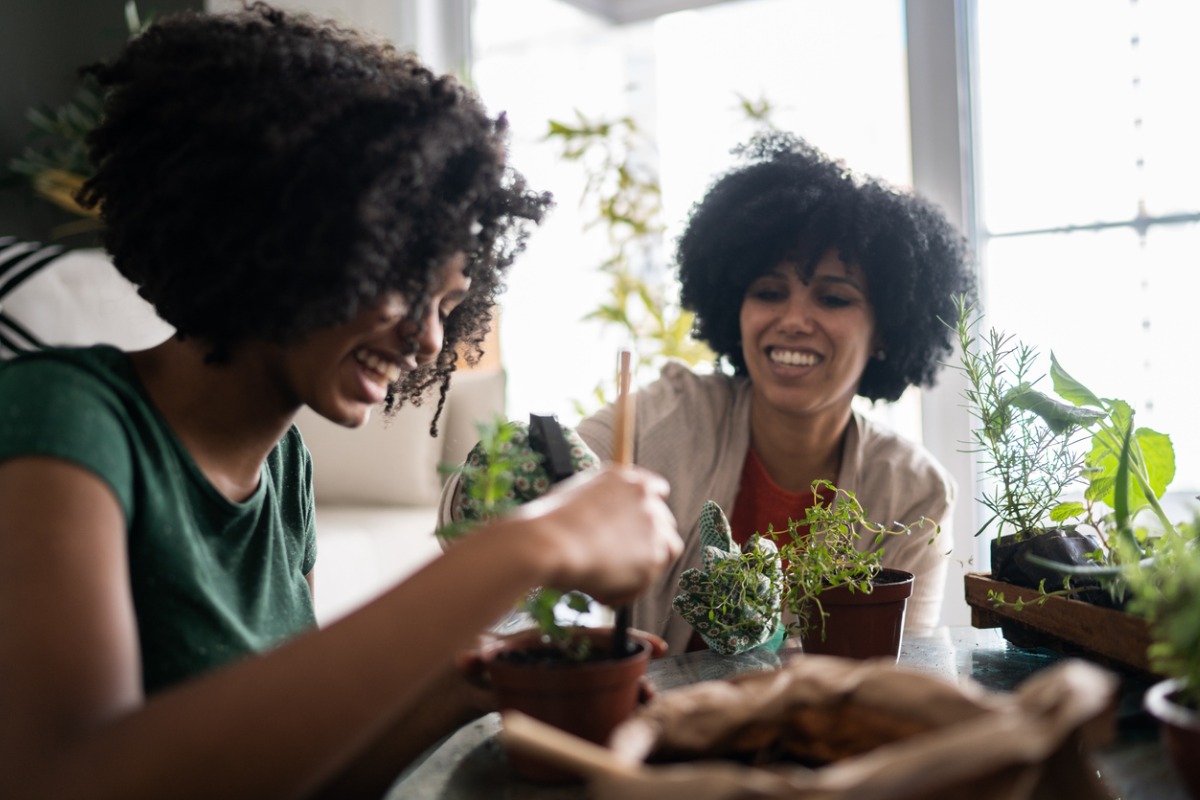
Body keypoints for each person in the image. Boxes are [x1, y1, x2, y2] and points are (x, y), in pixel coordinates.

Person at [0, 6, 682, 799]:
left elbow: (288, 766)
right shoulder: (65, 415)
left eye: (448, 302)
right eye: (405, 284)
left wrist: (468, 693)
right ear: (293, 235)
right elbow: (58, 778)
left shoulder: (283, 466)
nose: (429, 341)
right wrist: (524, 546)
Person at [575, 133, 976, 654]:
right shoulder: (674, 413)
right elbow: (549, 473)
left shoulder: (914, 493)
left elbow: (901, 673)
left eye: (832, 298)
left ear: (886, 330)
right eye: (769, 292)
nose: (792, 321)